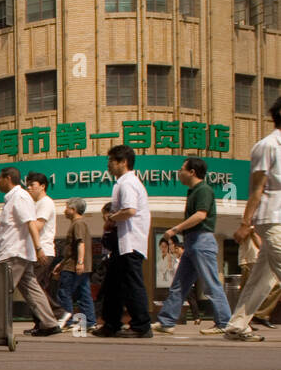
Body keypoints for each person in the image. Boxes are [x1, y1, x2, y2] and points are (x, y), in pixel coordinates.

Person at [152, 157, 232, 335]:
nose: (179, 172)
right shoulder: (193, 191)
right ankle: (167, 321)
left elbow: (201, 215)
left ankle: (224, 322)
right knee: (179, 284)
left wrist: (175, 229)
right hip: (192, 242)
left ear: (192, 172)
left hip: (202, 241)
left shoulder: (203, 190)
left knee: (211, 283)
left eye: (182, 169)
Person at [0, 166, 60, 336]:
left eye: (0, 179)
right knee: (31, 289)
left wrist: (39, 249)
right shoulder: (12, 199)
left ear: (8, 178)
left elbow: (30, 223)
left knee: (0, 289)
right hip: (17, 252)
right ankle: (50, 323)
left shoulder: (20, 197)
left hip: (14, 253)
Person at [225, 96, 281, 341]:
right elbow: (257, 188)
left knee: (262, 279)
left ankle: (237, 325)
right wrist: (246, 223)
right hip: (272, 218)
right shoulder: (267, 146)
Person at [90, 144, 152, 338]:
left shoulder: (128, 183)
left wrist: (111, 219)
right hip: (123, 243)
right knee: (113, 284)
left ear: (123, 162)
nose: (108, 165)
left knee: (132, 284)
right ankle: (111, 324)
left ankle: (142, 326)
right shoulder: (123, 183)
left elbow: (130, 210)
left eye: (111, 161)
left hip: (130, 243)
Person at [24, 172, 66, 322]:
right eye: (27, 185)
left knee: (32, 286)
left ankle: (59, 313)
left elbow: (38, 226)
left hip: (43, 251)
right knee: (37, 287)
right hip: (38, 251)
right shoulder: (36, 204)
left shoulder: (45, 202)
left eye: (32, 185)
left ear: (42, 186)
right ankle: (42, 323)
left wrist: (19, 225)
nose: (29, 188)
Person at [53, 199, 96, 330]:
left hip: (73, 267)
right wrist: (61, 263)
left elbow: (80, 243)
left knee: (64, 292)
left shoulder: (78, 224)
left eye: (66, 208)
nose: (64, 210)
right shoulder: (80, 224)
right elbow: (72, 248)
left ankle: (67, 320)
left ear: (74, 209)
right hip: (76, 265)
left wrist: (79, 262)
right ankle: (89, 321)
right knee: (84, 293)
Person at [238, 231, 281, 329]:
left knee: (277, 286)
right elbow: (248, 233)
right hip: (251, 258)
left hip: (265, 258)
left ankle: (259, 314)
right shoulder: (252, 217)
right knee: (248, 292)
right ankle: (242, 322)